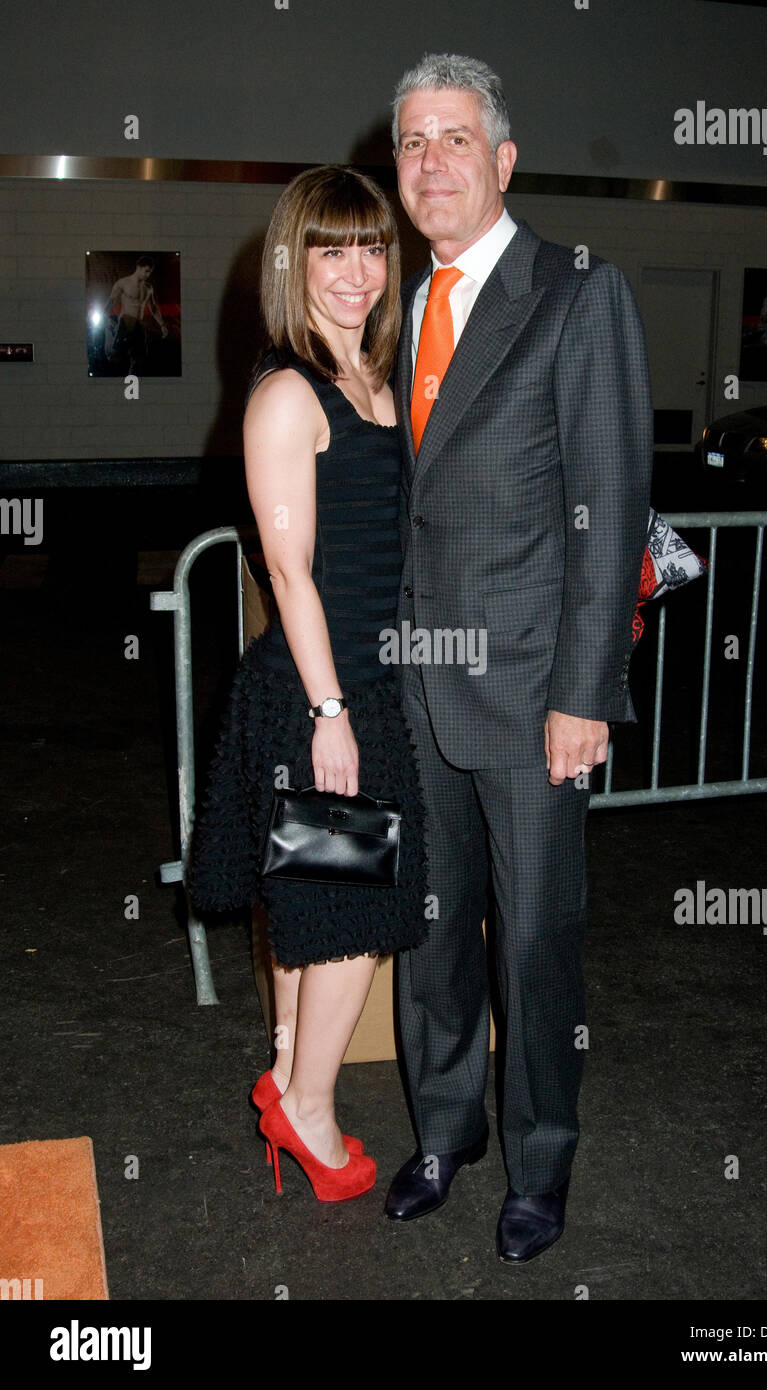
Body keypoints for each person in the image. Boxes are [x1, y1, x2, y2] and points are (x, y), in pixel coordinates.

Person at [385, 54, 654, 1262]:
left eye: (452, 140)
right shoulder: (393, 303)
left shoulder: (573, 293)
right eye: (409, 143)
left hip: (533, 688)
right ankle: (445, 1128)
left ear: (501, 162)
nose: (428, 162)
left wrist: (583, 695)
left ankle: (538, 1159)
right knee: (430, 928)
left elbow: (608, 497)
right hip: (416, 682)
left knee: (535, 940)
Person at [189, 166, 428, 1203]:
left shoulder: (375, 378)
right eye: (330, 248)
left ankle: (290, 1077)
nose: (355, 270)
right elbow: (286, 570)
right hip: (318, 690)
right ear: (295, 261)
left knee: (312, 910)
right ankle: (313, 1113)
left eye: (371, 246)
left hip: (367, 681)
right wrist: (332, 712)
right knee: (350, 921)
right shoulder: (290, 391)